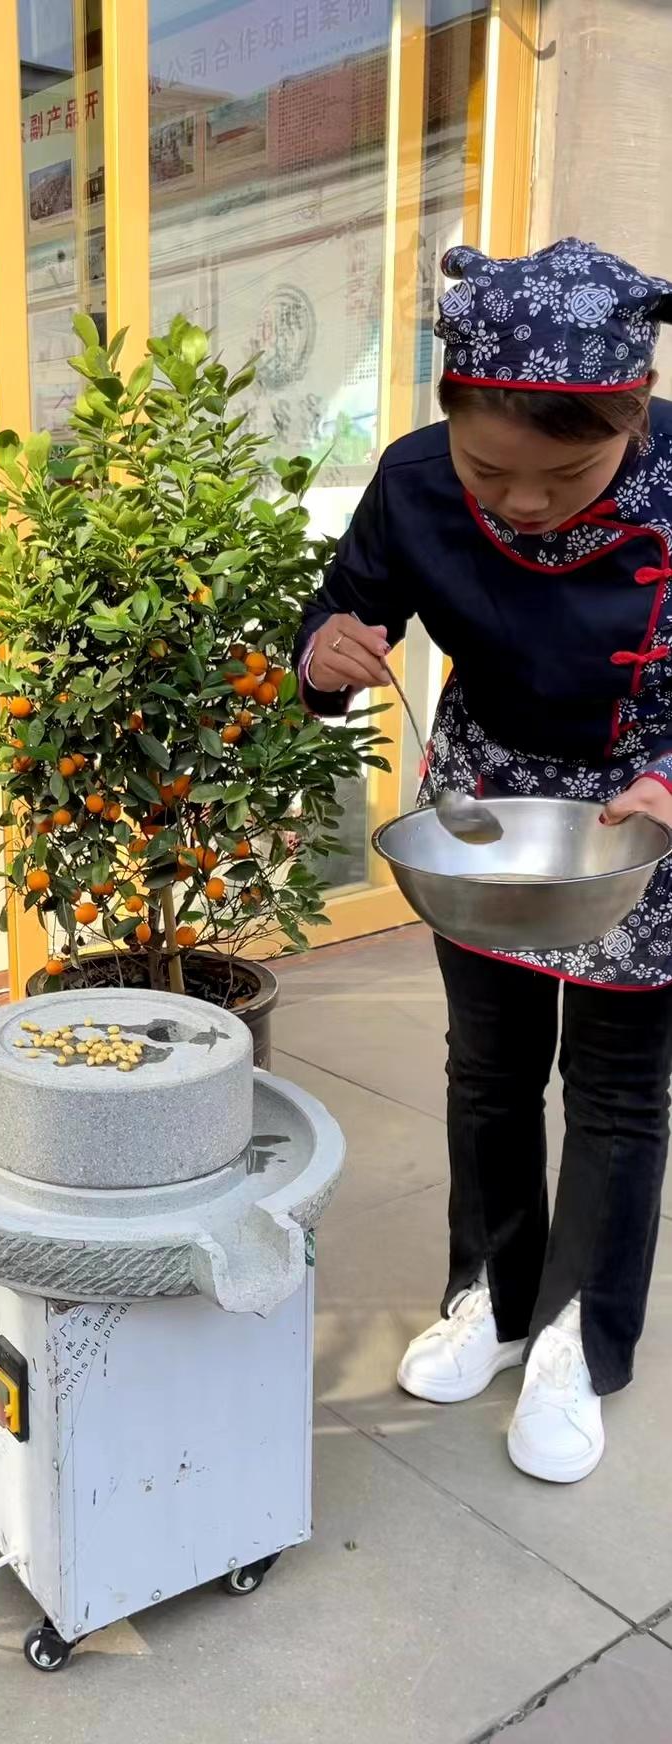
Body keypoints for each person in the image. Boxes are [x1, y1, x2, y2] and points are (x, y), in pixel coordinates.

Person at [294, 238, 672, 1484]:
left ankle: (577, 1340)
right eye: (487, 471)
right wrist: (327, 652)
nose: (522, 504)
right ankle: (492, 1299)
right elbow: (341, 609)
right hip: (489, 800)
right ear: (447, 417)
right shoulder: (413, 480)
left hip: (647, 801)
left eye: (567, 474)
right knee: (491, 1069)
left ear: (632, 419)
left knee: (618, 1090)